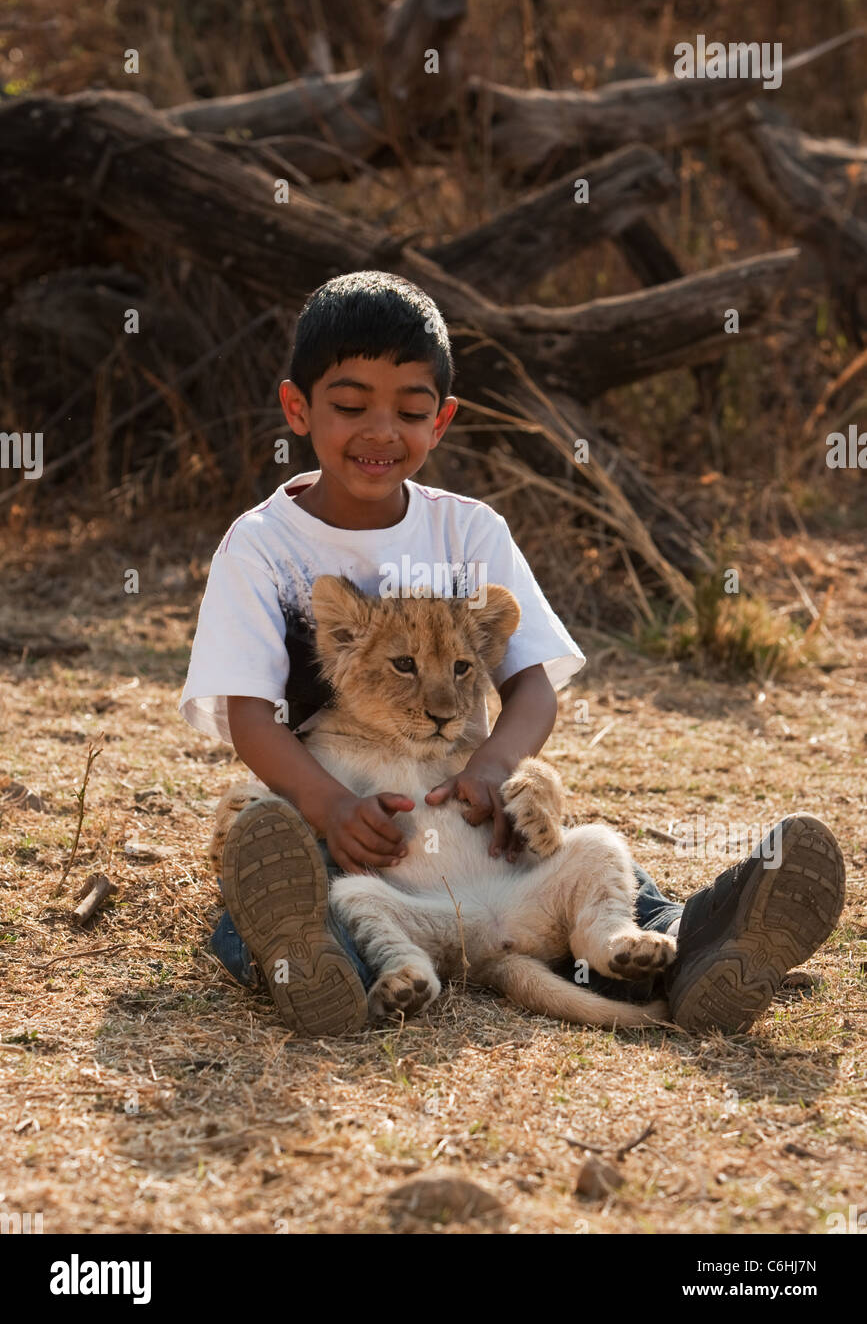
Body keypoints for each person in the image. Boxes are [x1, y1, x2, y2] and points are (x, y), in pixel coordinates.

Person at [179, 270, 845, 1037]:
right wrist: (329, 810)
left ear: (443, 421)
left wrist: (495, 770)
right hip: (354, 828)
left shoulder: (470, 532)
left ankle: (704, 950)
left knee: (594, 862)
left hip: (473, 824)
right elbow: (248, 717)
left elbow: (531, 686)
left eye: (410, 410)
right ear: (297, 407)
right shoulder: (261, 545)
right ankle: (317, 971)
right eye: (351, 405)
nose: (380, 431)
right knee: (287, 885)